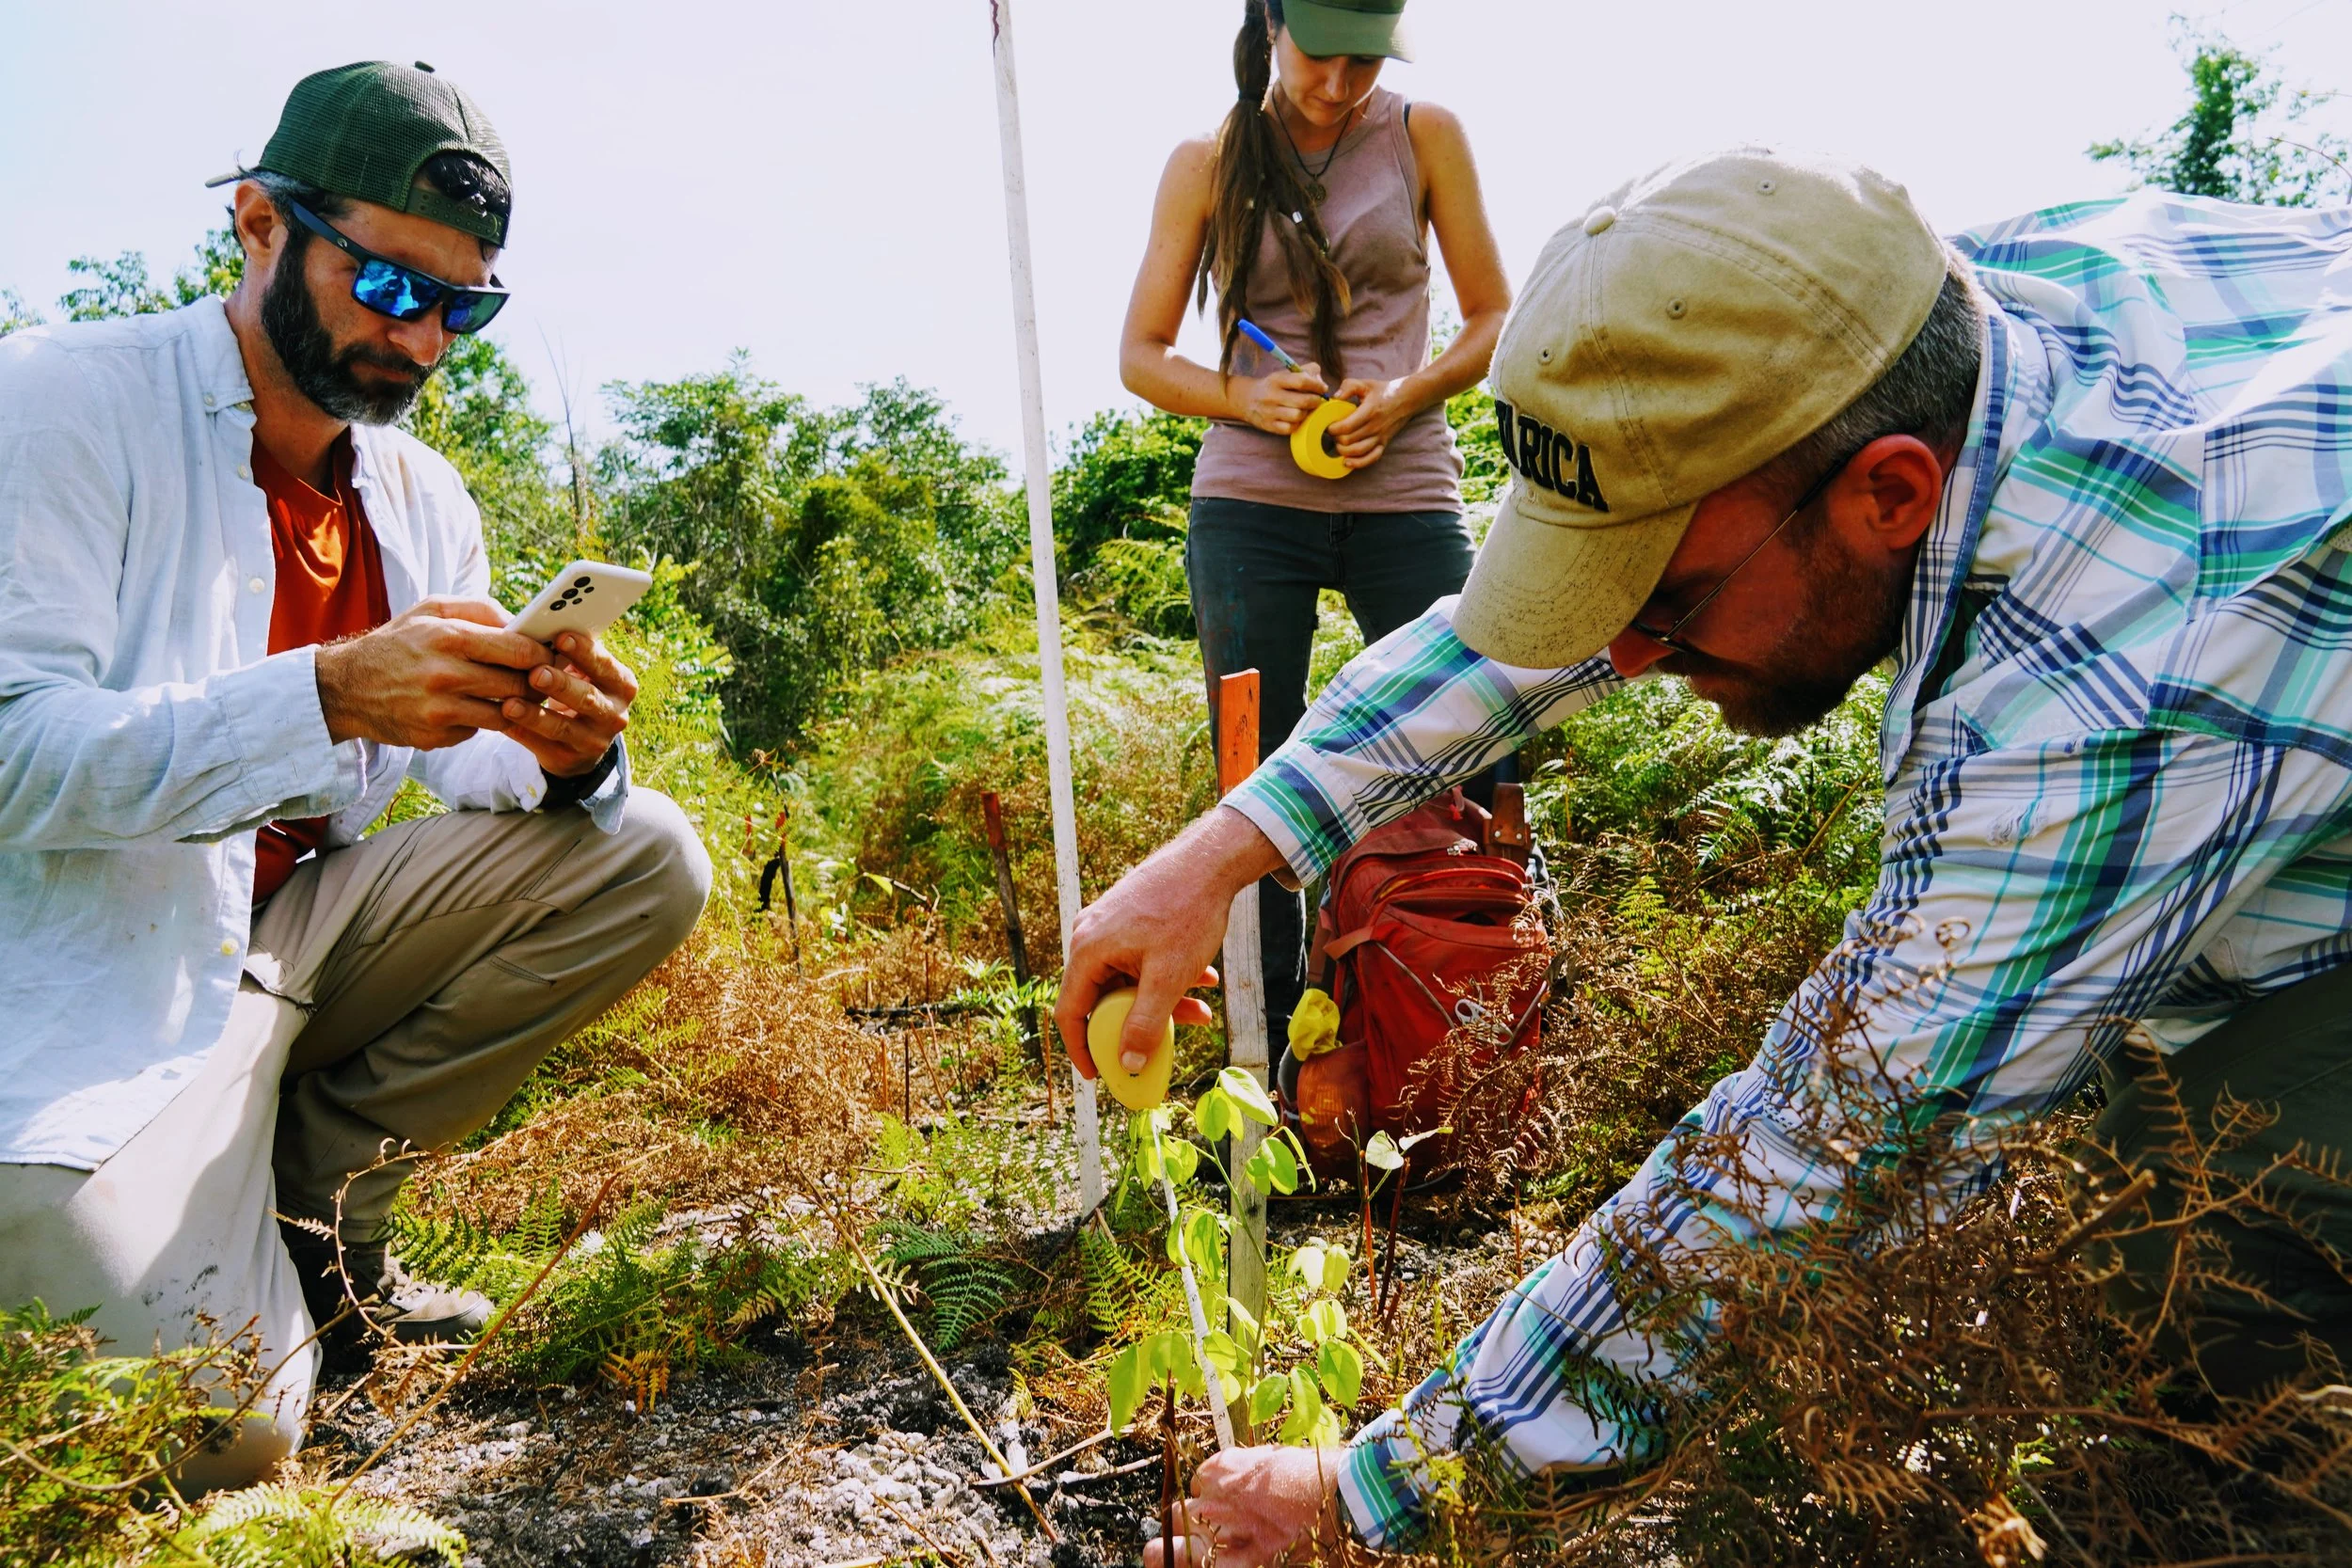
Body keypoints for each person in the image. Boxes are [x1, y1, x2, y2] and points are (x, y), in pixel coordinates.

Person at [1058, 147, 2352, 1563]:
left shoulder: (2117, 672)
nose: (1618, 658)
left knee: (2198, 1210)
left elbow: (1828, 1145)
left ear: (1892, 492)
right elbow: (1552, 618)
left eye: (1663, 604)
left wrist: (1380, 1490)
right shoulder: (1920, 323)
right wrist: (1232, 844)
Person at [0, 62, 710, 1488]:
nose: (422, 337)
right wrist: (322, 693)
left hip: (281, 948)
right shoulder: (61, 399)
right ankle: (218, 1216)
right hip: (83, 977)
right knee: (218, 1426)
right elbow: (18, 754)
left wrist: (561, 747)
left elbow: (474, 776)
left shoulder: (416, 493)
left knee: (643, 850)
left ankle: (318, 1209)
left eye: (462, 306)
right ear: (259, 224)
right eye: (387, 284)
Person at [1118, 0, 1510, 1053]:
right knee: (1255, 777)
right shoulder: (1206, 162)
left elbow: (1493, 317)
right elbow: (1141, 354)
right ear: (1271, 23)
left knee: (1475, 742)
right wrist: (1243, 399)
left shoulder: (1426, 134)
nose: (1339, 84)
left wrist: (1408, 390)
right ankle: (1280, 1062)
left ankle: (1463, 1032)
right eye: (1319, 55)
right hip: (1253, 504)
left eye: (1364, 60)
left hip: (1407, 487)